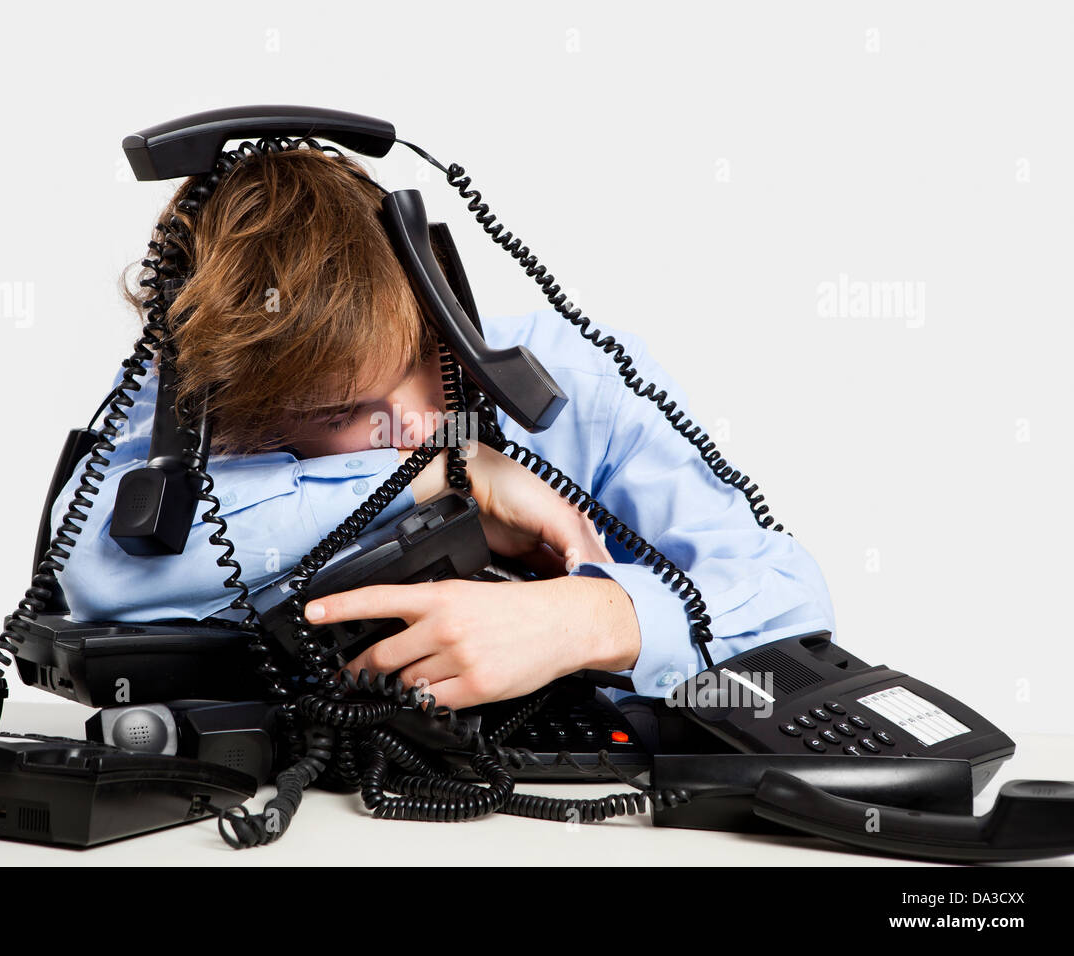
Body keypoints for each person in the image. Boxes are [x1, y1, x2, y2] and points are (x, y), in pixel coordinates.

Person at [50, 145, 835, 711]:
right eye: (338, 415)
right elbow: (94, 568)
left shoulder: (585, 379)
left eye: (420, 359)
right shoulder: (203, 393)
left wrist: (589, 619)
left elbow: (790, 602)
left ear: (439, 289)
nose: (416, 420)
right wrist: (445, 477)